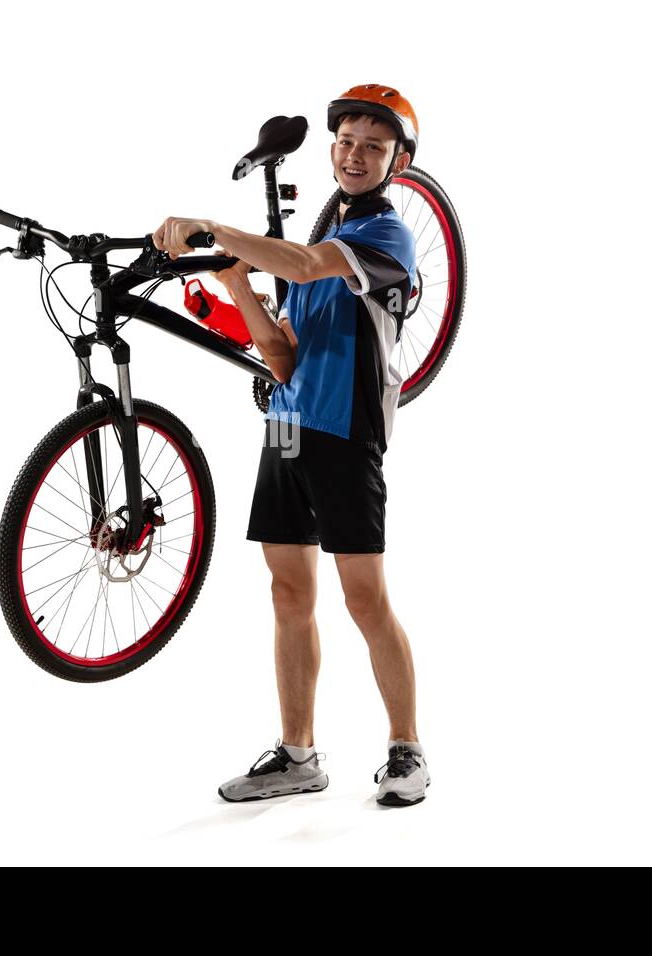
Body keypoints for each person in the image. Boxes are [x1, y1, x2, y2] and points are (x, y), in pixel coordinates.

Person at [152, 84, 430, 808]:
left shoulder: (383, 237)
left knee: (365, 600)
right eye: (346, 140)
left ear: (397, 161)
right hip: (285, 422)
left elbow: (306, 268)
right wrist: (237, 282)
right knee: (287, 593)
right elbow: (279, 355)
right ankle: (299, 755)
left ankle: (408, 750)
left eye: (374, 144)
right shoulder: (314, 243)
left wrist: (215, 226)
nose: (355, 152)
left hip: (346, 432)